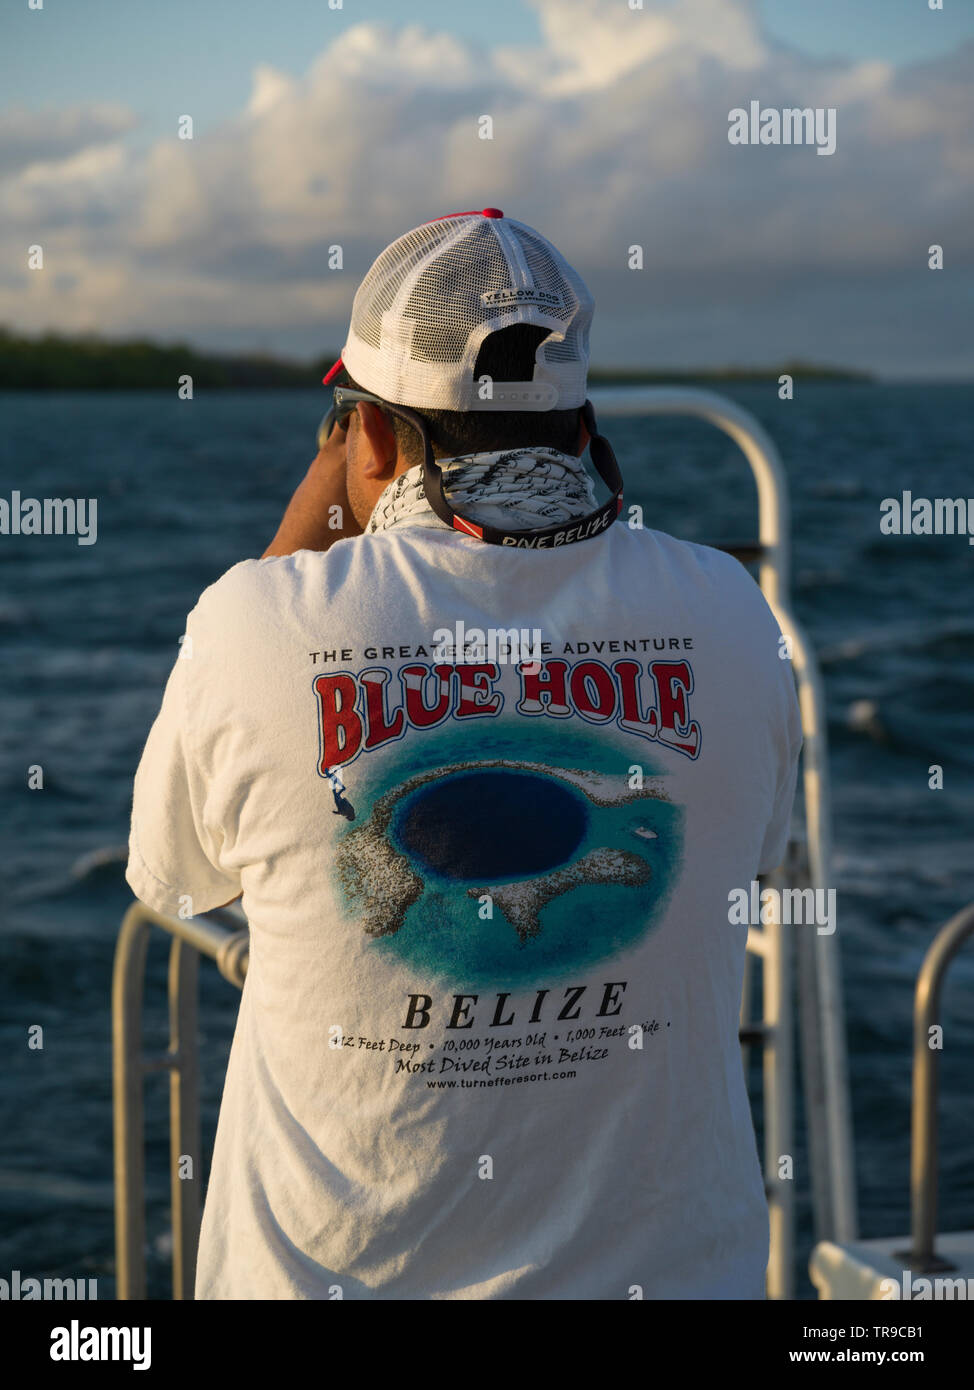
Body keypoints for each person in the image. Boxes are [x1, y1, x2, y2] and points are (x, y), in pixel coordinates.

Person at [125, 208, 802, 1300]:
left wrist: (315, 510)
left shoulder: (253, 623)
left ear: (375, 439)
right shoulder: (730, 608)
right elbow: (752, 848)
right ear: (581, 433)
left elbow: (176, 874)